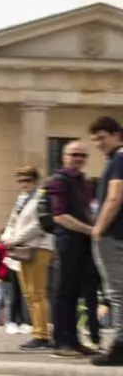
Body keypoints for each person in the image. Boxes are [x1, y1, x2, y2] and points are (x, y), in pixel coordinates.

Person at [47, 140, 102, 358]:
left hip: (82, 243)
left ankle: (75, 340)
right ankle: (62, 342)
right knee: (64, 292)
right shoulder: (57, 181)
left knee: (78, 294)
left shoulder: (83, 182)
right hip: (67, 242)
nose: (78, 158)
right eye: (74, 154)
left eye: (82, 155)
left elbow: (86, 210)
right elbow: (60, 216)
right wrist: (90, 230)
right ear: (64, 156)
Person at [1, 165, 52, 351]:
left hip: (38, 247)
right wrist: (6, 238)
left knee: (37, 293)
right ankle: (37, 331)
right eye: (21, 180)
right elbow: (12, 222)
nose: (24, 184)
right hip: (22, 248)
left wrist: (14, 239)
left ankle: (43, 334)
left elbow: (38, 225)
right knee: (29, 294)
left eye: (27, 180)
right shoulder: (21, 200)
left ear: (35, 180)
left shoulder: (42, 197)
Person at [89, 116, 123, 366]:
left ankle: (120, 346)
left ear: (116, 134)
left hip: (113, 235)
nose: (98, 144)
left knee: (117, 292)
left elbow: (115, 197)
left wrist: (98, 228)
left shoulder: (119, 159)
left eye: (102, 138)